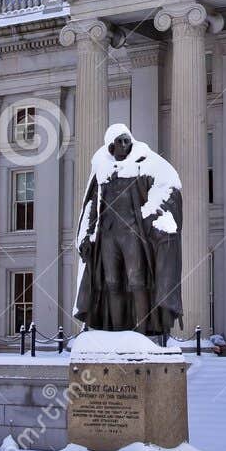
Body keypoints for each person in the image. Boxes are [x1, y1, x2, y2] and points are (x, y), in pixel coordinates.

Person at [73, 123, 183, 337]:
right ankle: (115, 332)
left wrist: (153, 213)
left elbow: (169, 184)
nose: (125, 145)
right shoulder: (102, 171)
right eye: (120, 142)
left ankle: (140, 334)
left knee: (136, 280)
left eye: (127, 141)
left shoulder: (144, 164)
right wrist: (86, 234)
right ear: (111, 147)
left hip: (132, 234)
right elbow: (91, 205)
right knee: (111, 283)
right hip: (107, 235)